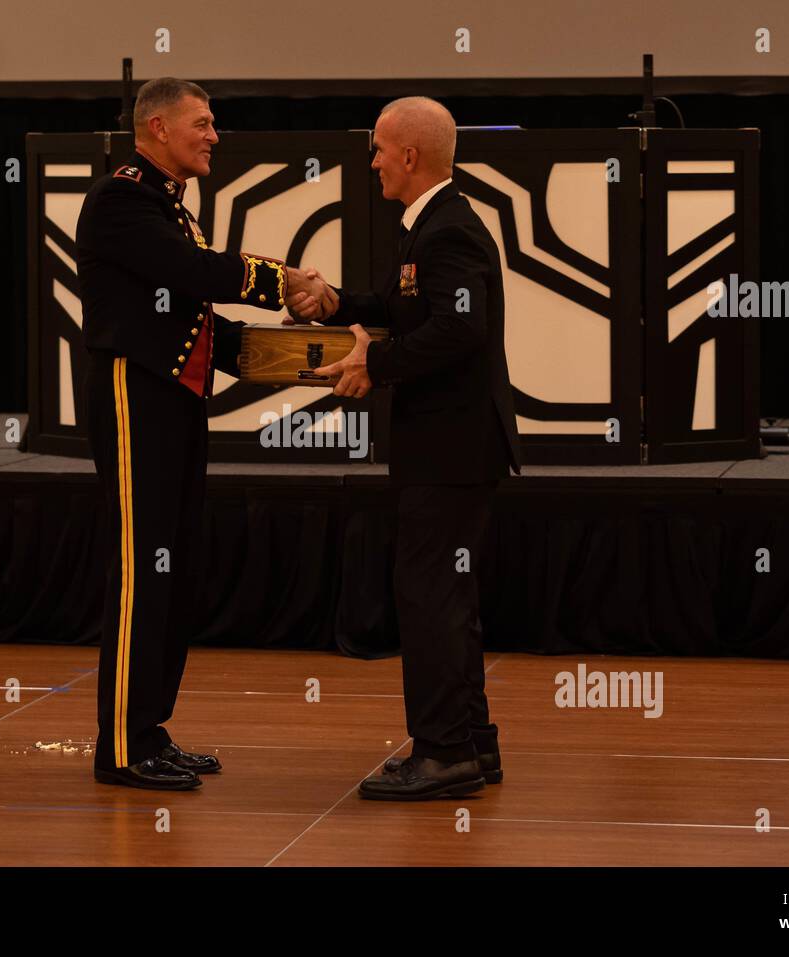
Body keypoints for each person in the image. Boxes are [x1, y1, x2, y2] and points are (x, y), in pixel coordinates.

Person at [76, 77, 335, 790]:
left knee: (175, 565)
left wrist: (304, 355)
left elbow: (191, 323)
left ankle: (151, 730)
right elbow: (188, 274)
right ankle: (122, 746)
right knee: (139, 570)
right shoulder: (122, 198)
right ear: (157, 128)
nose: (214, 135)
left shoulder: (168, 208)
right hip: (136, 396)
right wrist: (282, 280)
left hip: (175, 399)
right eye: (203, 122)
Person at [288, 96, 521, 800]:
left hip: (450, 450)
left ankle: (443, 753)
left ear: (411, 156)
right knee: (449, 597)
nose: (374, 161)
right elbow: (409, 309)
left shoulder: (447, 232)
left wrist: (374, 367)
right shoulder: (433, 225)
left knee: (429, 599)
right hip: (452, 447)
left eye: (381, 149)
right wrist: (341, 304)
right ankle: (472, 743)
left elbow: (461, 330)